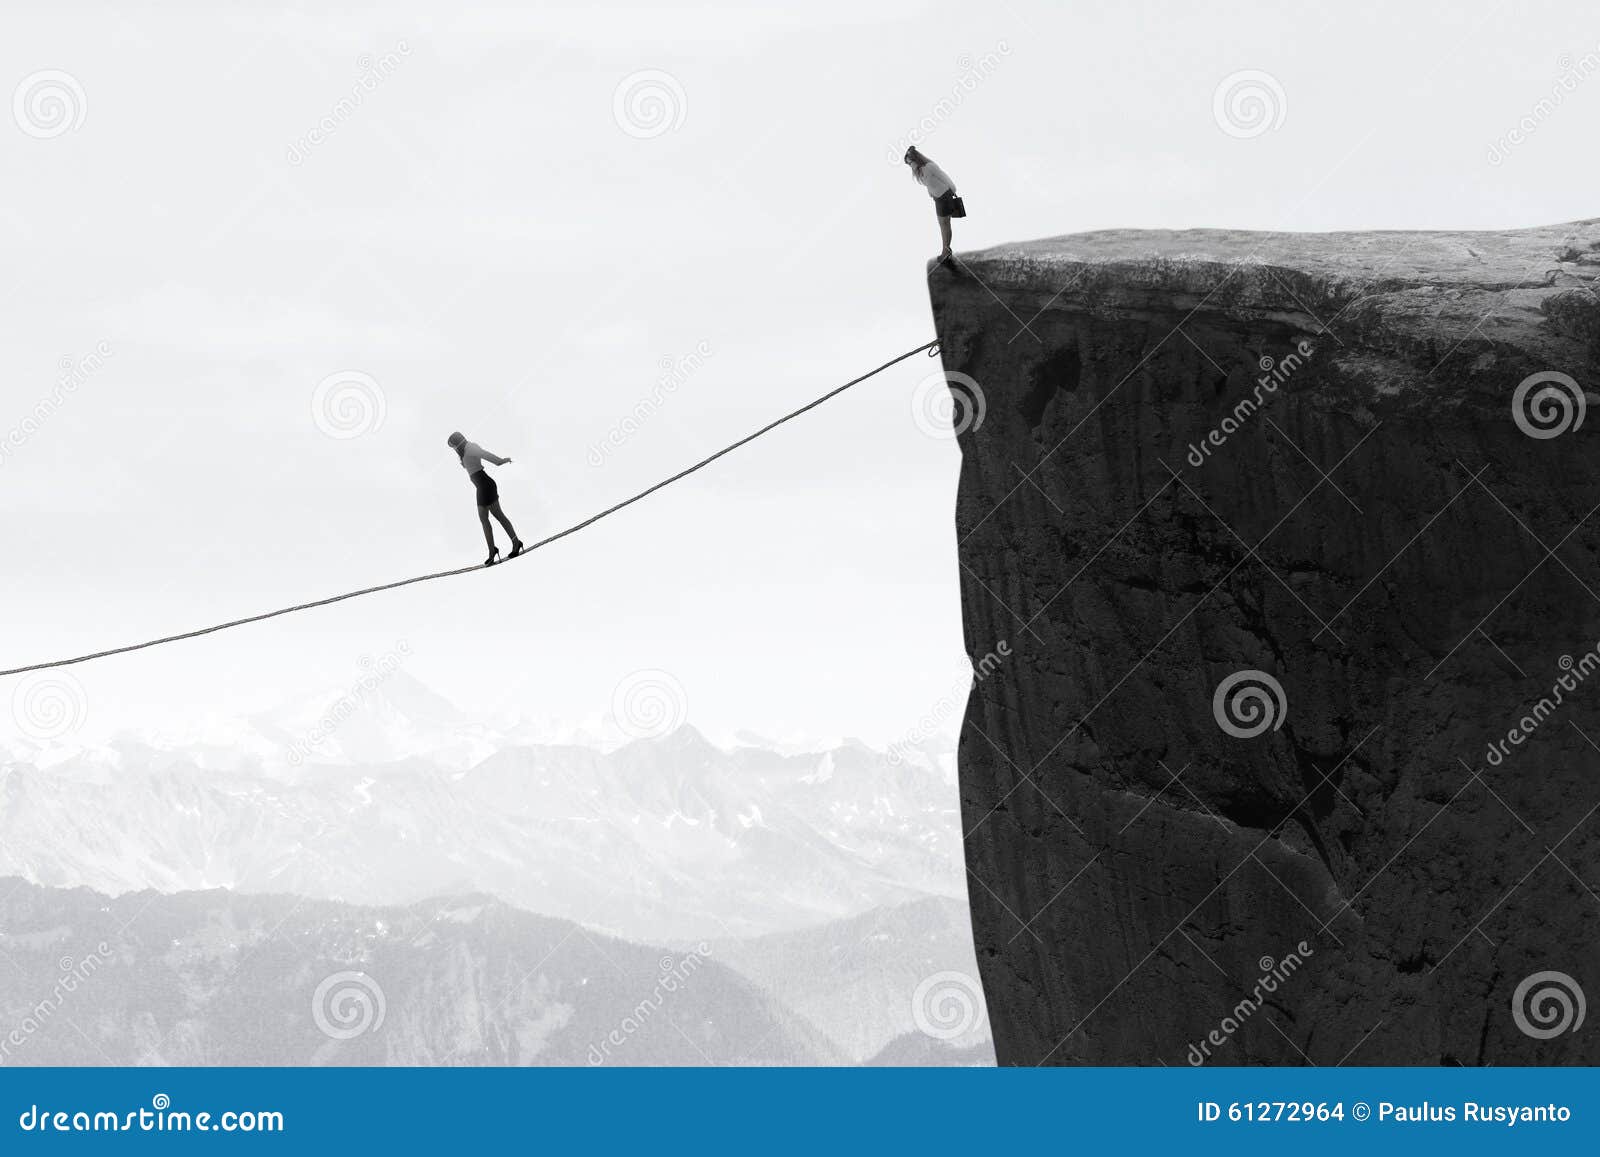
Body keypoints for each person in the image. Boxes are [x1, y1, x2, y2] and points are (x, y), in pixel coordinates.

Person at [447, 431, 523, 565]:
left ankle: (516, 542)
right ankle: (492, 550)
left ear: (458, 442)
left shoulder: (470, 447)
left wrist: (501, 461)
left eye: (453, 446)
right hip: (480, 487)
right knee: (484, 519)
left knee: (498, 516)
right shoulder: (463, 452)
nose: (453, 449)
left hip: (486, 484)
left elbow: (487, 455)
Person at [904, 146, 965, 262]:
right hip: (938, 199)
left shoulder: (929, 166)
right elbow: (929, 184)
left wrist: (953, 190)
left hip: (945, 196)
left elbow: (944, 177)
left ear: (915, 159)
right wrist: (931, 194)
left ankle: (945, 252)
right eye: (908, 164)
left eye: (910, 162)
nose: (910, 165)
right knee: (944, 225)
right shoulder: (920, 172)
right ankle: (946, 251)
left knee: (944, 225)